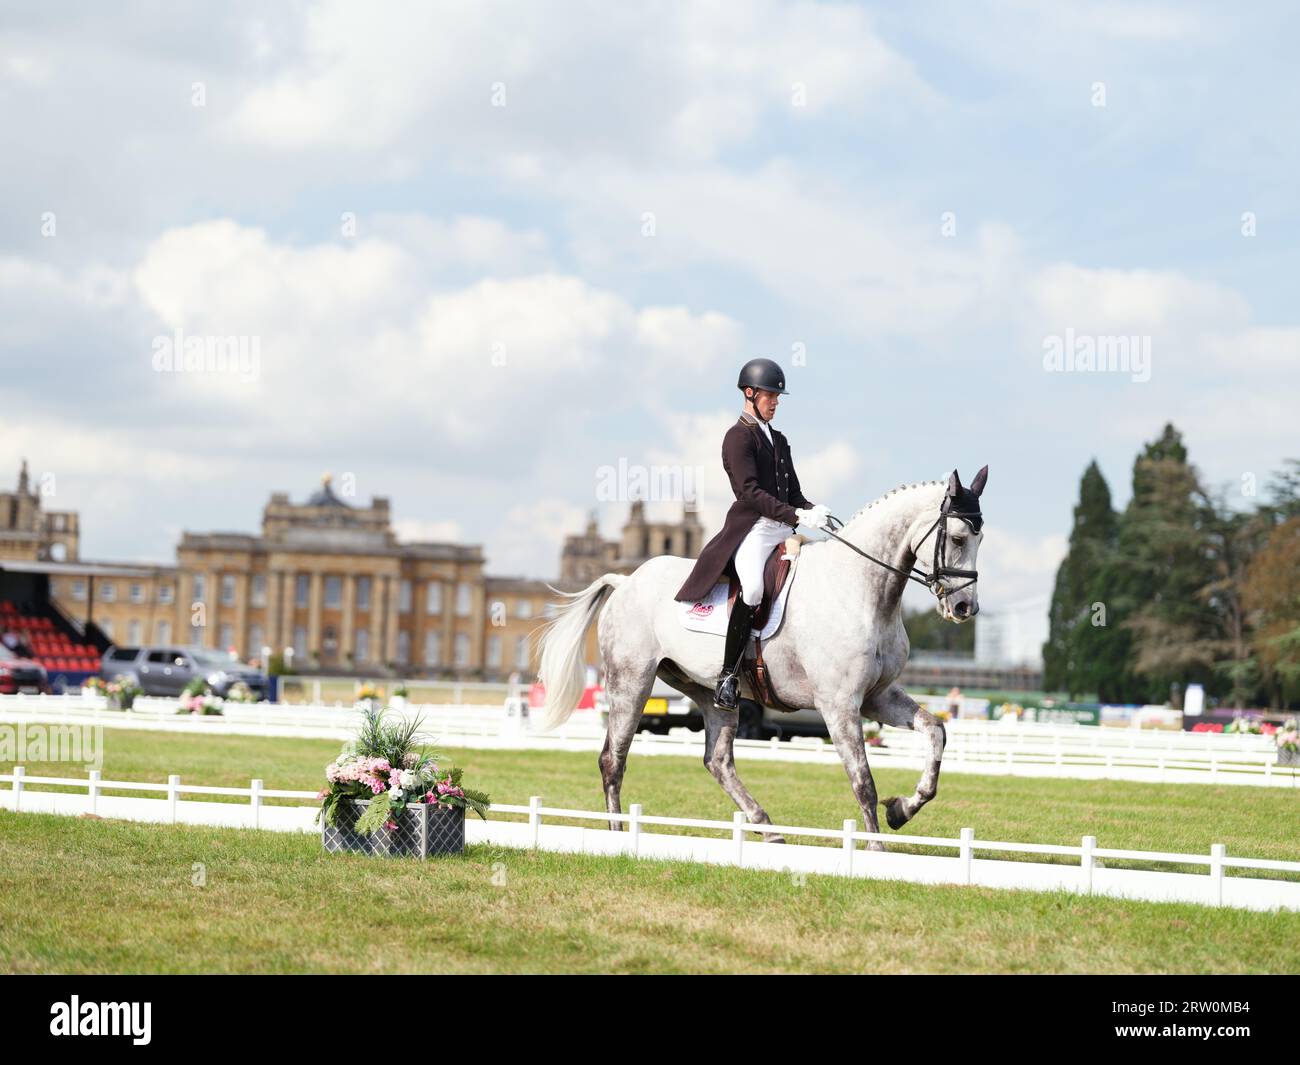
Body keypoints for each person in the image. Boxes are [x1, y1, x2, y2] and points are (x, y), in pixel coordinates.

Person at [674, 358, 830, 709]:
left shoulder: (779, 440)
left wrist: (815, 511)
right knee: (755, 588)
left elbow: (794, 494)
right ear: (750, 393)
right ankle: (728, 676)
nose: (775, 402)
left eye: (777, 397)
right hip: (754, 530)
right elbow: (750, 492)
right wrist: (796, 514)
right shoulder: (737, 437)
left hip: (782, 527)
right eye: (770, 395)